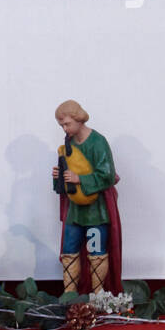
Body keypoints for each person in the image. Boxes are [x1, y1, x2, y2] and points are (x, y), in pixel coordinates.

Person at [52, 99, 122, 295]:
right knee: (69, 250)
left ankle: (98, 295)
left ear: (78, 119)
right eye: (61, 125)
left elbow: (107, 175)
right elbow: (64, 182)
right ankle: (70, 295)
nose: (64, 129)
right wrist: (59, 177)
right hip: (75, 210)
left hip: (95, 210)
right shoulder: (68, 144)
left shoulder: (98, 142)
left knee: (97, 252)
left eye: (67, 124)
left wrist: (79, 178)